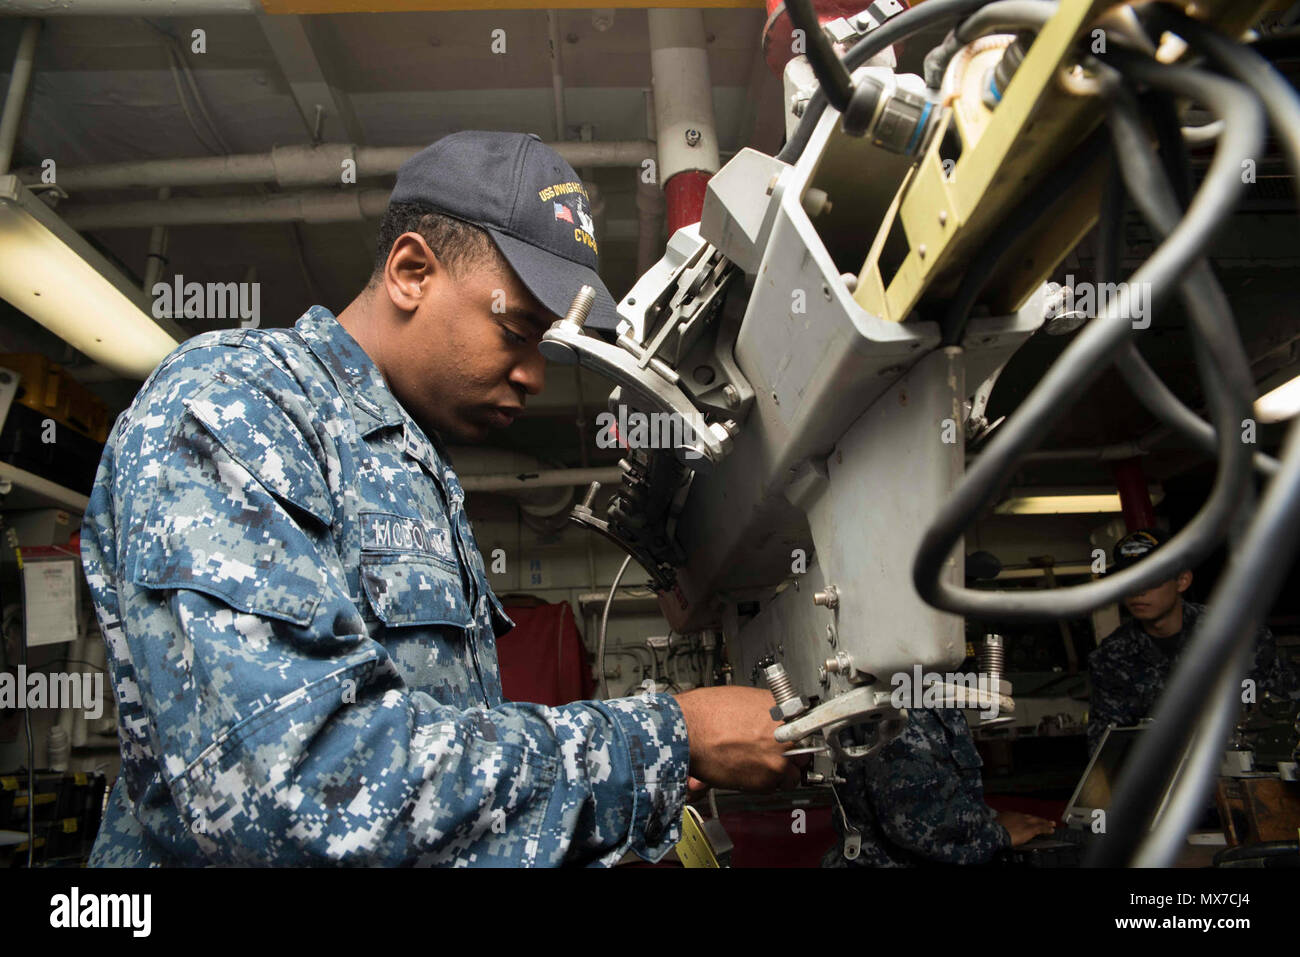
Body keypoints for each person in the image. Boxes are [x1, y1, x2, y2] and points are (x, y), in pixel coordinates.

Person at [81, 130, 797, 867]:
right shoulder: (233, 405)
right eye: (518, 330)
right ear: (412, 272)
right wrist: (667, 736)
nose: (535, 375)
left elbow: (438, 781)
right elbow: (300, 788)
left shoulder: (412, 460)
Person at [1087, 529, 1299, 753]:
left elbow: (1286, 710)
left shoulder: (1236, 636)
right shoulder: (1111, 657)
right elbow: (1106, 748)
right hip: (1166, 781)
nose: (1138, 591)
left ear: (1182, 581)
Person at [822, 707, 1056, 867]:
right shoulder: (897, 685)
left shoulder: (924, 684)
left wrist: (985, 819)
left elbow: (942, 786)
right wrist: (996, 836)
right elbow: (915, 823)